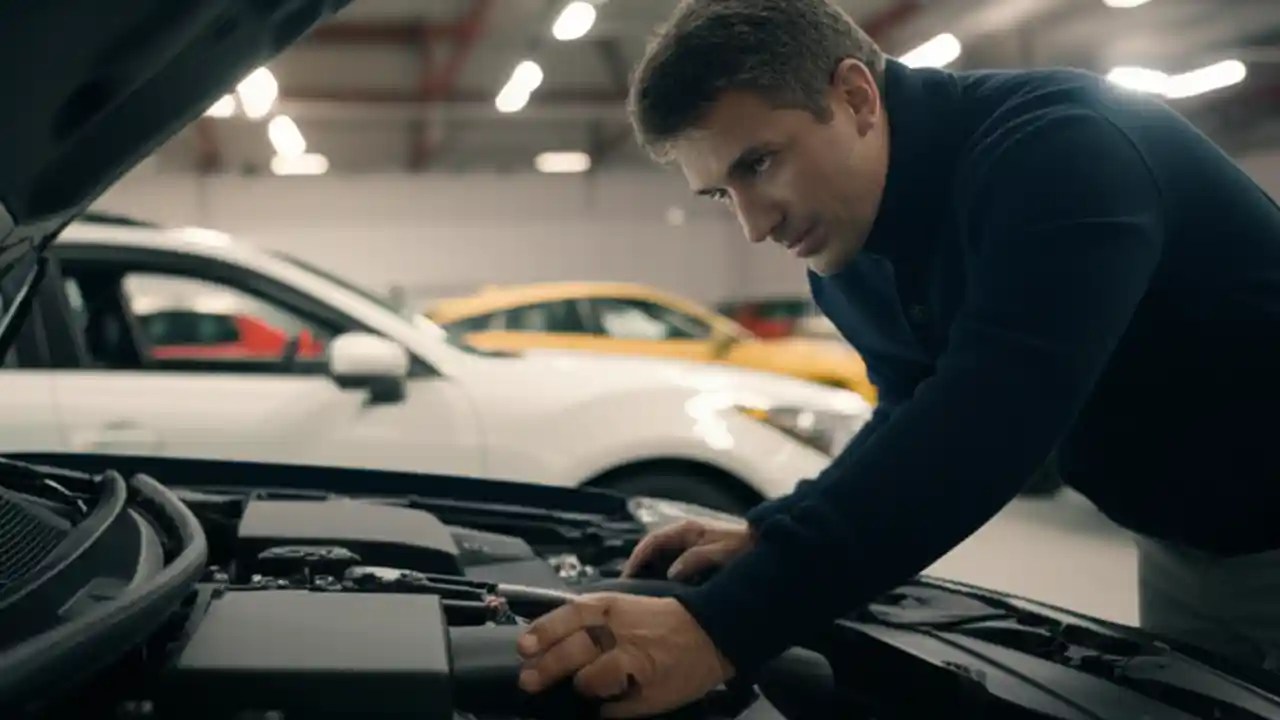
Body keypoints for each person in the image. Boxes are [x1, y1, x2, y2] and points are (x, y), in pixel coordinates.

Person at [514, 0, 1280, 715]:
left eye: (758, 165)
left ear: (855, 97)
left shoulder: (1064, 150)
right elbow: (912, 413)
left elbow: (986, 423)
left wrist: (722, 626)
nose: (753, 226)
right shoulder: (852, 256)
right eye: (721, 194)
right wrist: (774, 531)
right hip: (1195, 550)